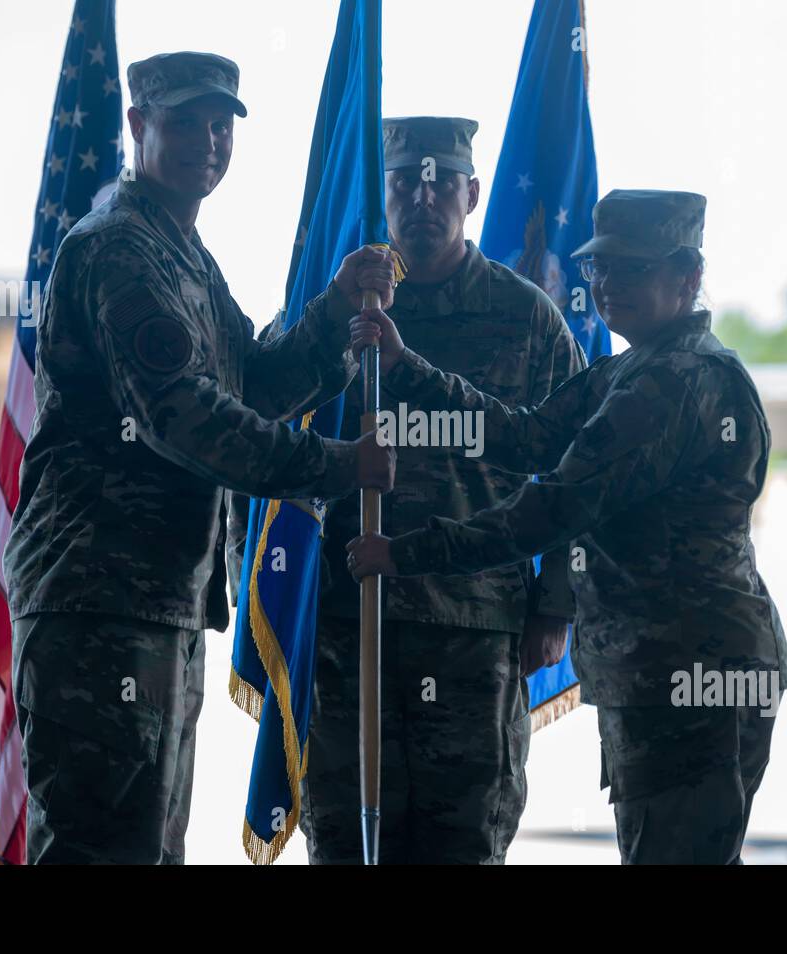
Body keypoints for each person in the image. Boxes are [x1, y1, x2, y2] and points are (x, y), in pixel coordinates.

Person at [4, 51, 396, 864]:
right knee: (102, 850)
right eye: (184, 122)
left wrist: (332, 311)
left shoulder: (182, 254)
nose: (208, 141)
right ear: (137, 126)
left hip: (157, 603)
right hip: (98, 601)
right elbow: (187, 418)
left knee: (146, 849)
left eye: (221, 125)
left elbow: (251, 382)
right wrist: (337, 465)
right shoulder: (119, 251)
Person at [346, 189, 787, 864]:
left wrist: (404, 554)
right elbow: (526, 438)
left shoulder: (676, 382)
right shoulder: (632, 370)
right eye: (599, 267)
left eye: (633, 269)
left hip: (693, 675)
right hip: (661, 670)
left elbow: (552, 508)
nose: (609, 285)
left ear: (688, 276)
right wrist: (409, 370)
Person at [296, 116, 586, 864]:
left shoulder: (526, 315)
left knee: (464, 837)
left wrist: (556, 602)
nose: (423, 199)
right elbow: (267, 430)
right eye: (404, 182)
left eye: (442, 183)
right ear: (383, 194)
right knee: (347, 837)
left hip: (473, 624)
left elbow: (575, 466)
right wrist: (268, 582)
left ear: (473, 193)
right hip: (350, 621)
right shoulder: (341, 305)